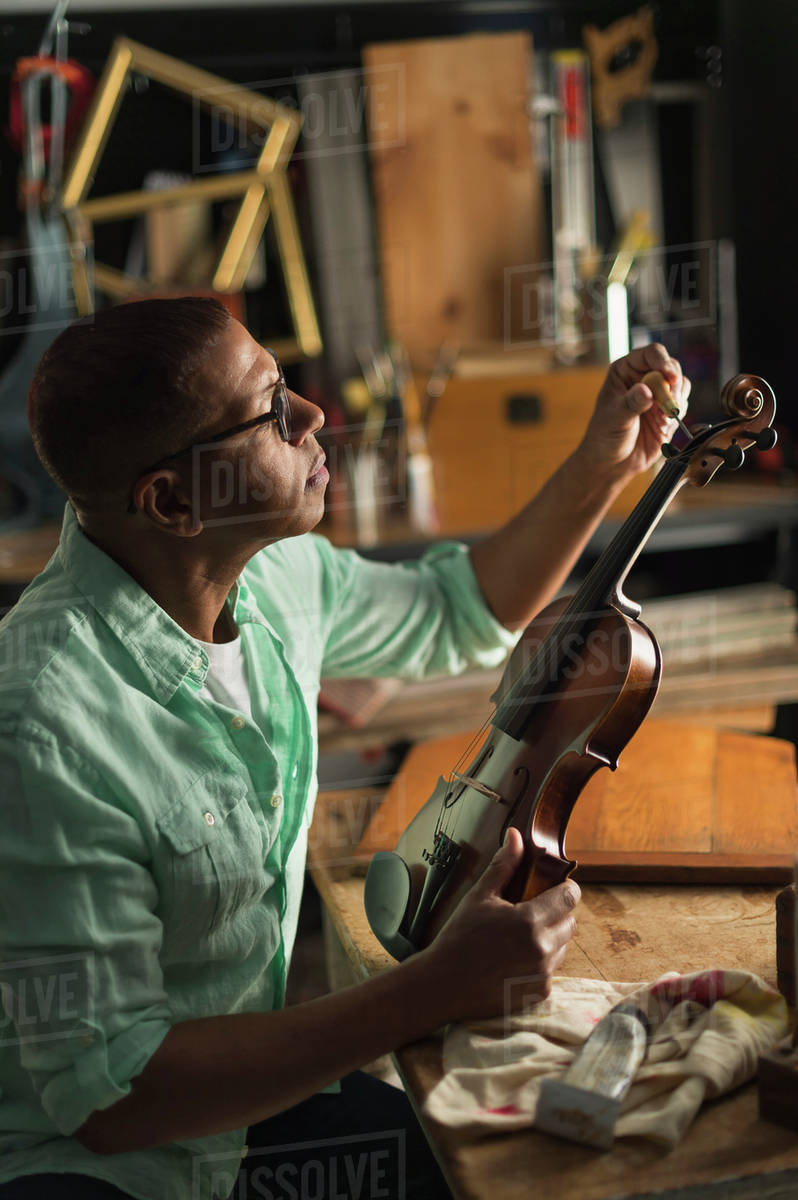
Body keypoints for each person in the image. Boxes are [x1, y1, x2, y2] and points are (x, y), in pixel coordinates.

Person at [0, 298, 688, 1200]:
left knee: (510, 1178)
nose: (313, 417)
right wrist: (432, 991)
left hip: (243, 1113)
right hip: (95, 1163)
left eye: (286, 383)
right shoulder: (41, 724)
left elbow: (462, 609)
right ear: (172, 502)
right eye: (269, 413)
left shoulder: (276, 573)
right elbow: (114, 1092)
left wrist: (602, 467)